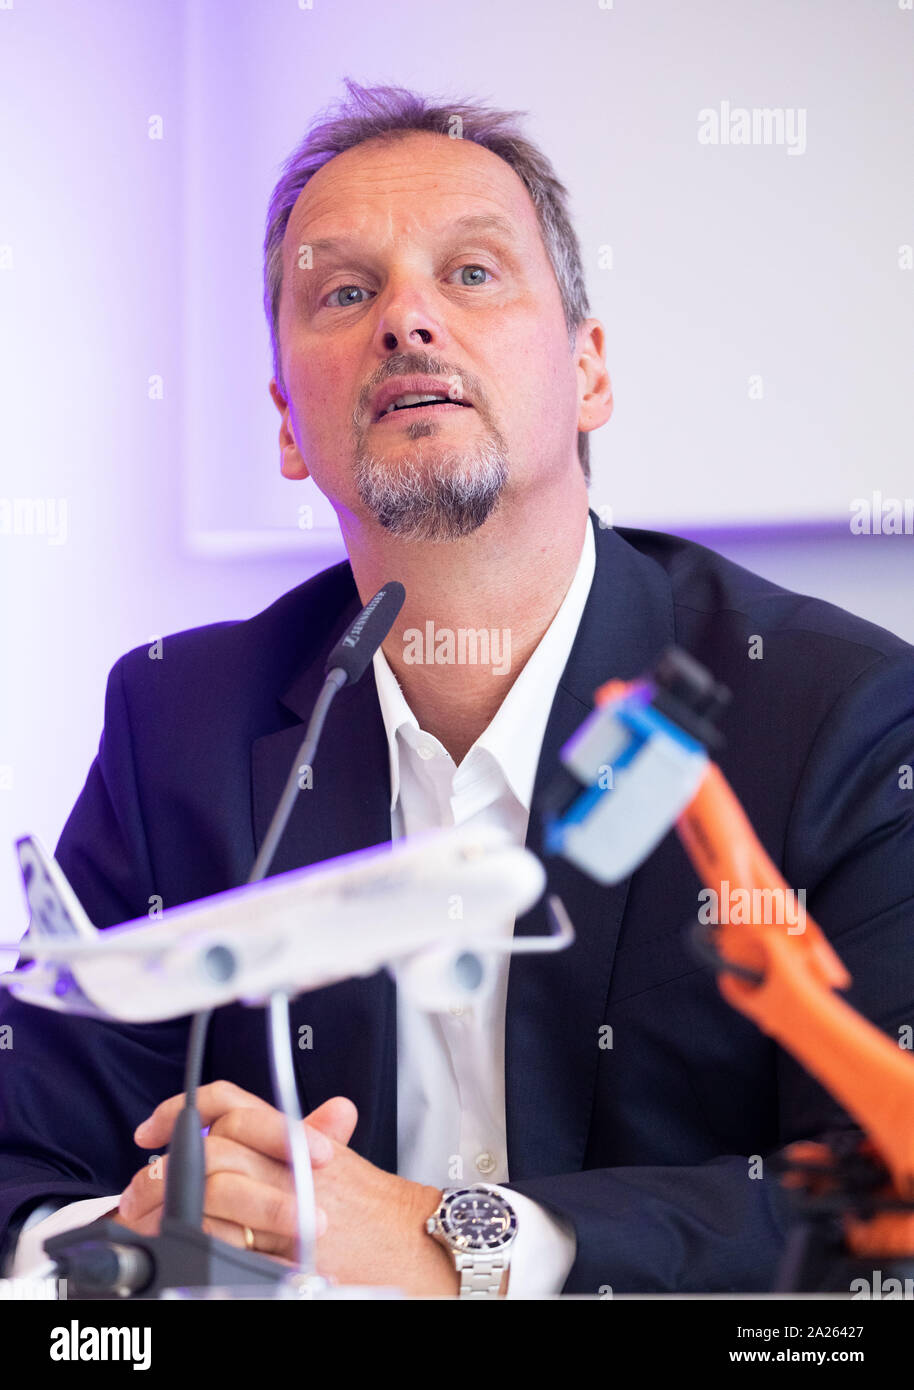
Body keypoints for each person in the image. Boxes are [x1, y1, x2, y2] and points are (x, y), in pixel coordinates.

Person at [1, 79, 912, 1298]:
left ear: (588, 371)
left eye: (472, 273)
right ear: (285, 421)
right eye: (344, 291)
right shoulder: (176, 721)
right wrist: (148, 1243)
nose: (405, 321)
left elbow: (879, 1192)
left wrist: (456, 1241)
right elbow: (25, 1161)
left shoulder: (837, 712)